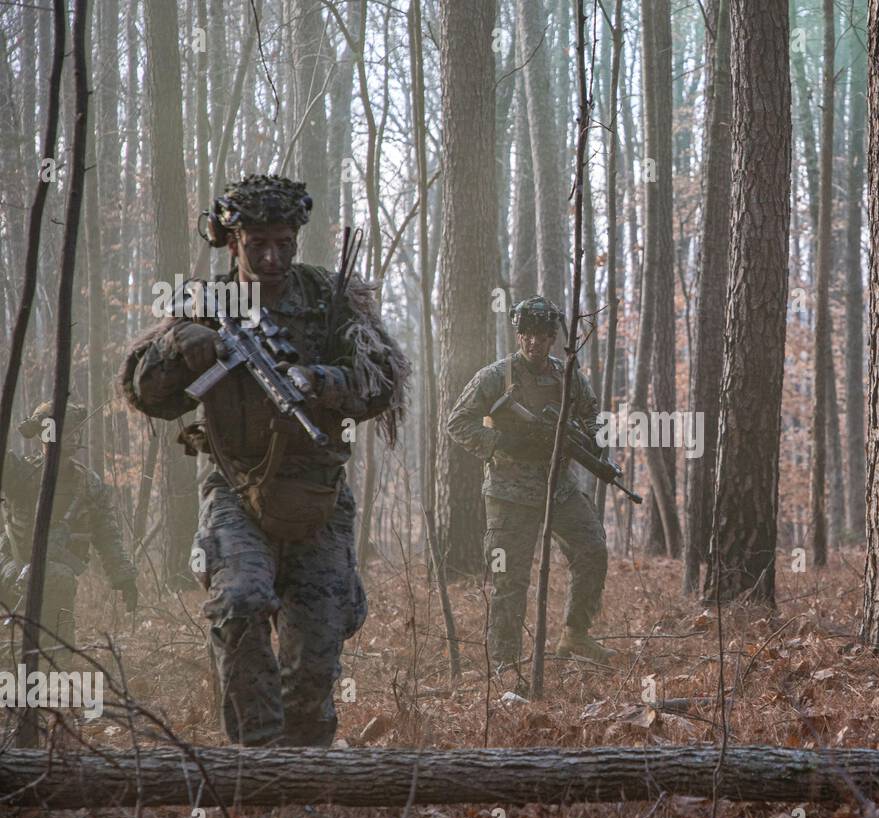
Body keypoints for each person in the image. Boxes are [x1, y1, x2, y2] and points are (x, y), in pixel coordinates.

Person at [119, 174, 409, 747]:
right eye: (258, 246)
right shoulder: (203, 303)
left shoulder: (330, 298)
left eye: (284, 243)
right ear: (234, 243)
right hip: (235, 487)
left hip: (316, 491)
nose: (272, 258)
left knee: (319, 645)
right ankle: (256, 760)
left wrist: (320, 381)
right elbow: (146, 394)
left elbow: (382, 385)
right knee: (242, 600)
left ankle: (304, 771)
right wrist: (182, 349)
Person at [446, 296, 613, 672]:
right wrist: (502, 442)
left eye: (540, 335)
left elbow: (592, 416)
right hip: (509, 494)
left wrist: (590, 441)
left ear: (552, 337)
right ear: (518, 335)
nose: (533, 342)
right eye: (526, 335)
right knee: (509, 579)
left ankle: (574, 633)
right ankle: (504, 664)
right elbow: (458, 422)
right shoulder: (495, 376)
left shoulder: (565, 375)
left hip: (559, 487)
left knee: (593, 549)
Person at [0, 401, 137, 669]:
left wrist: (124, 577)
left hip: (55, 573)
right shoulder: (21, 473)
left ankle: (53, 662)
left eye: (74, 431)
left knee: (57, 579)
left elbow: (107, 534)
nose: (71, 437)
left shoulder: (88, 483)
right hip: (11, 566)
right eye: (64, 431)